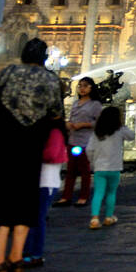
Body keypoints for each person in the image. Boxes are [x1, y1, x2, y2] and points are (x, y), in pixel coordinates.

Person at [0, 38, 64, 272]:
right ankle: (16, 257)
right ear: (44, 58)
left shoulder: (9, 72)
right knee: (25, 197)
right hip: (31, 145)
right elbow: (56, 113)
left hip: (3, 142)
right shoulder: (51, 80)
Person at [23, 119, 66, 269]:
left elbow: (51, 155)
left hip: (46, 181)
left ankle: (34, 253)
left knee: (37, 218)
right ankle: (28, 252)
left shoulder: (54, 133)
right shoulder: (50, 132)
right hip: (41, 180)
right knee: (32, 218)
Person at [86, 105, 134, 228]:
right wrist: (124, 125)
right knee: (111, 193)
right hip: (115, 168)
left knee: (98, 193)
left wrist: (92, 162)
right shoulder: (120, 131)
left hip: (100, 168)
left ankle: (94, 219)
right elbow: (132, 136)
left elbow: (89, 150)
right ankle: (108, 217)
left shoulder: (97, 133)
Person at [56, 77, 101, 207]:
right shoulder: (76, 103)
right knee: (70, 170)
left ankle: (83, 197)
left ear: (91, 88)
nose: (82, 88)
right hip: (73, 139)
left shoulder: (95, 104)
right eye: (80, 86)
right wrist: (68, 124)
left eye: (85, 86)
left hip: (86, 141)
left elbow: (99, 123)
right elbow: (72, 118)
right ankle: (66, 196)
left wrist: (84, 124)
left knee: (84, 170)